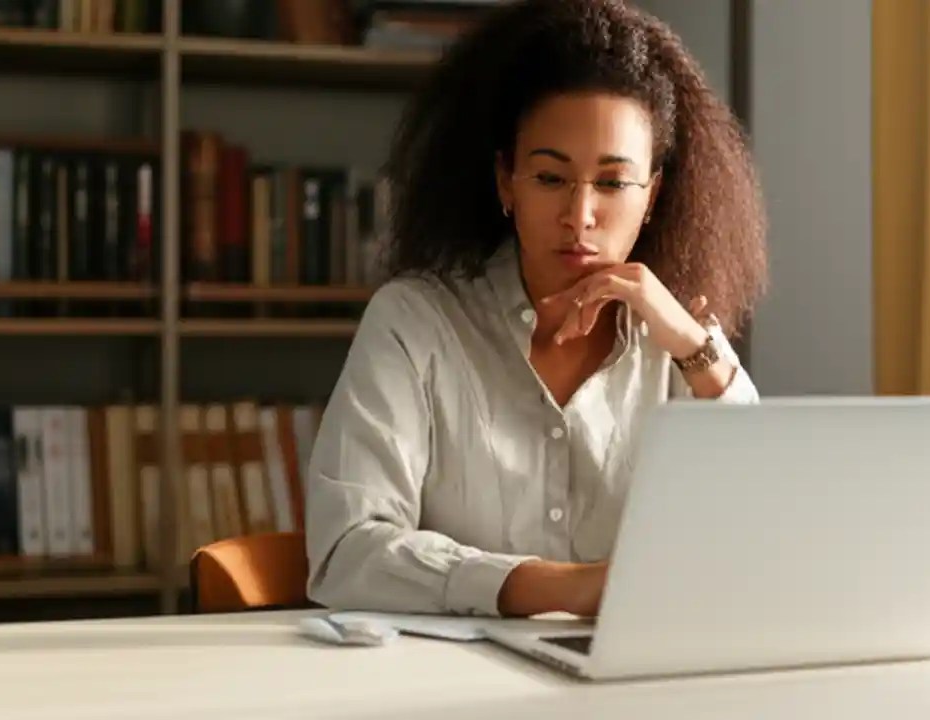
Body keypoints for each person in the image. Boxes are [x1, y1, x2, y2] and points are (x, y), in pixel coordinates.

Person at [304, 0, 768, 619]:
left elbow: (763, 535)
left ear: (652, 194)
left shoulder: (678, 345)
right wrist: (561, 587)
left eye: (611, 183)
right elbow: (346, 553)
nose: (580, 216)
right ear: (506, 181)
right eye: (550, 179)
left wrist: (694, 348)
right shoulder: (416, 323)